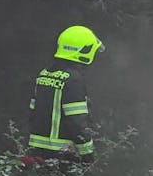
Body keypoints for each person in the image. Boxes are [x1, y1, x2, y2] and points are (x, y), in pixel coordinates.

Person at [27, 25, 102, 164]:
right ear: (84, 50)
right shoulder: (73, 79)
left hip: (37, 153)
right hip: (63, 156)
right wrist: (88, 154)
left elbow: (32, 114)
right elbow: (77, 123)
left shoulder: (44, 74)